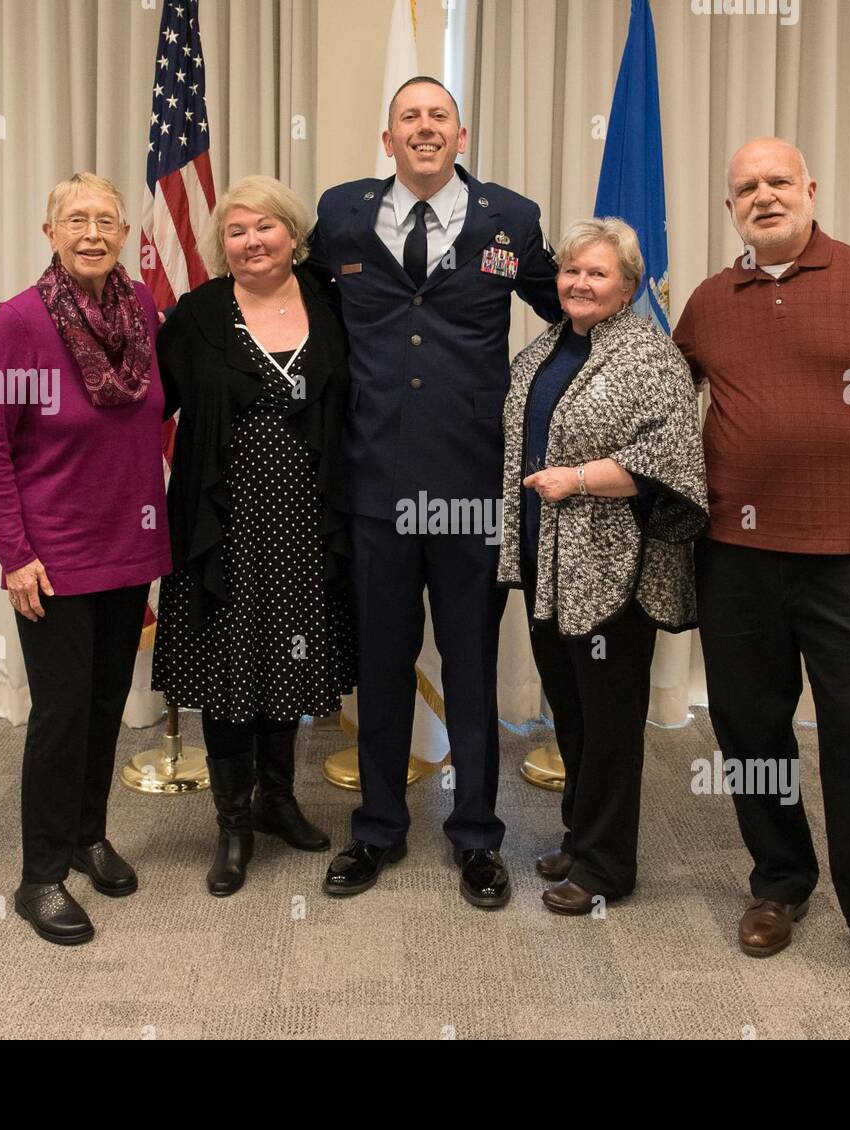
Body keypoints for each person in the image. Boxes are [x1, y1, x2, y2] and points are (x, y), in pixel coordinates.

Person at [671, 137, 850, 1008]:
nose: (762, 196)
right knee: (749, 729)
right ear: (730, 210)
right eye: (744, 188)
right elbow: (659, 405)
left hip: (848, 559)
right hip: (735, 561)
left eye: (776, 182)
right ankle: (780, 881)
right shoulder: (709, 301)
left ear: (809, 190)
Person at [310, 76, 563, 907]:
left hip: (470, 489)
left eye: (437, 117)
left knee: (471, 668)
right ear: (388, 141)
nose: (424, 128)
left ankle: (478, 838)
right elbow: (298, 307)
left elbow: (571, 313)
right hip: (375, 486)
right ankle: (378, 830)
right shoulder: (343, 213)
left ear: (463, 135)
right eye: (408, 118)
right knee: (380, 665)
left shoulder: (511, 221)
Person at [0, 172, 171, 945]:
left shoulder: (144, 313)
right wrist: (14, 556)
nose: (92, 233)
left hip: (130, 545)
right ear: (49, 232)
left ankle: (89, 835)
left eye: (106, 221)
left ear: (124, 235)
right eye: (76, 220)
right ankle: (41, 874)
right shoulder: (21, 322)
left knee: (103, 704)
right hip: (52, 558)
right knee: (59, 716)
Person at [152, 175, 355, 897]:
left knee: (290, 660)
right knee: (229, 669)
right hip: (223, 525)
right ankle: (232, 822)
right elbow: (145, 405)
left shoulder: (330, 306)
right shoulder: (197, 315)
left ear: (293, 235)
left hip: (307, 520)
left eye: (264, 227)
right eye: (235, 231)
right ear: (221, 245)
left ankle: (278, 800)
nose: (251, 241)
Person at [497, 218, 707, 915]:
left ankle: (608, 867)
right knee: (575, 717)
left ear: (628, 287)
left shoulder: (650, 356)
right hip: (546, 564)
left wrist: (578, 479)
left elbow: (669, 462)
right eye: (570, 271)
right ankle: (582, 837)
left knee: (611, 725)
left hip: (614, 573)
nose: (579, 283)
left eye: (597, 273)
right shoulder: (548, 346)